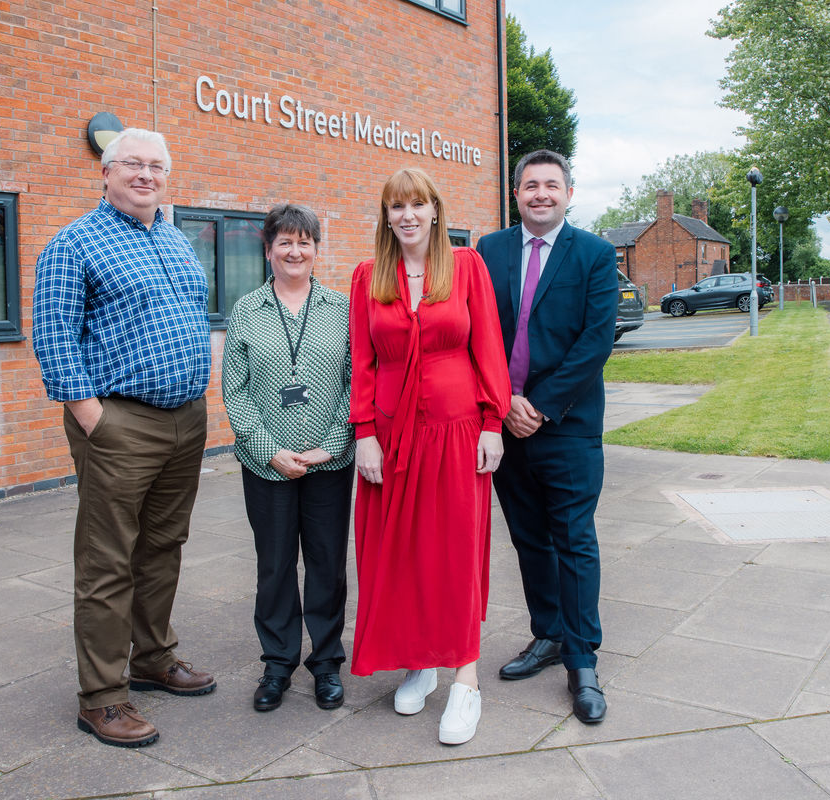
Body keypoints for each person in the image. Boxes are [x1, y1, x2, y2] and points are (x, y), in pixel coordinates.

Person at [33, 128, 216, 748]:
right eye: (132, 164)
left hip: (184, 420)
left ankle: (153, 657)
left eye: (157, 165)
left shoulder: (171, 235)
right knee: (108, 560)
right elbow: (55, 336)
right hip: (119, 422)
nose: (146, 174)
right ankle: (103, 699)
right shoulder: (75, 243)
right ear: (106, 173)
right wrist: (93, 418)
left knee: (163, 546)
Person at [349, 167, 510, 745]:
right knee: (402, 556)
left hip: (456, 431)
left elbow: (488, 342)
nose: (407, 215)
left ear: (435, 211)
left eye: (417, 204)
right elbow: (363, 362)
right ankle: (422, 660)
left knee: (456, 553)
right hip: (391, 440)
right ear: (386, 216)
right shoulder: (368, 275)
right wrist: (364, 432)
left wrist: (494, 421)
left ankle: (465, 679)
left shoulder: (466, 266)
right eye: (396, 207)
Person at [475, 149, 617, 724]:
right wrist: (503, 403)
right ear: (516, 194)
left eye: (550, 185)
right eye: (530, 185)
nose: (540, 194)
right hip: (504, 425)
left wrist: (541, 405)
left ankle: (582, 661)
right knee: (530, 540)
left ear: (568, 193)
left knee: (574, 540)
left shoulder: (596, 254)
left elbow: (596, 341)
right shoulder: (489, 251)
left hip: (567, 425)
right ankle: (548, 635)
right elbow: (480, 329)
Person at [221, 203, 354, 713]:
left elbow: (354, 383)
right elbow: (236, 392)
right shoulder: (246, 311)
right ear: (269, 249)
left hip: (328, 463)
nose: (295, 251)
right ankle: (277, 665)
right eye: (285, 242)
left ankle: (325, 664)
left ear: (317, 249)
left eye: (304, 242)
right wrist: (268, 451)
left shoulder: (342, 310)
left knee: (326, 564)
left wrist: (333, 444)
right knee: (274, 566)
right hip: (266, 465)